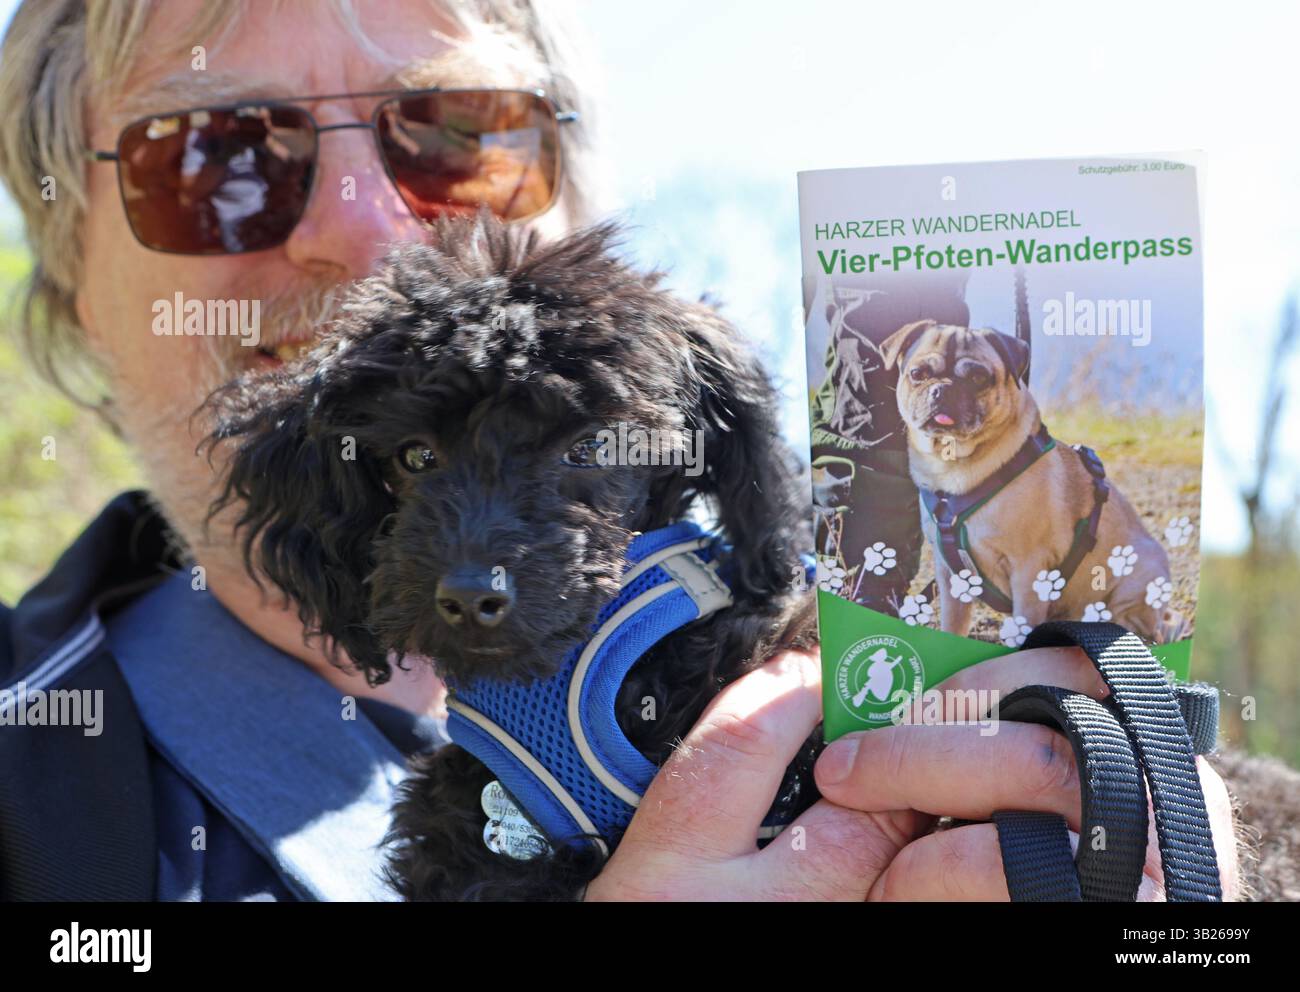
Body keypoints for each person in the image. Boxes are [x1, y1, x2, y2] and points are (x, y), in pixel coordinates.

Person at [0, 0, 1238, 901]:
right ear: (69, 298)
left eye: (454, 134)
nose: (364, 232)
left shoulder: (861, 653)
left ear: (571, 196)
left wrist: (1188, 914)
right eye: (219, 155)